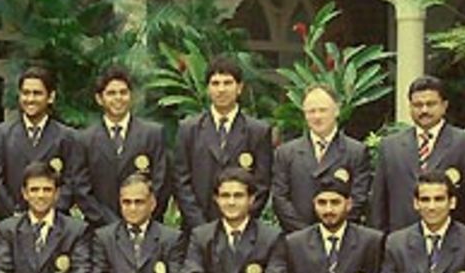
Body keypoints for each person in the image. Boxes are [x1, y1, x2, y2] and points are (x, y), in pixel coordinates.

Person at [370, 75, 465, 232]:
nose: (424, 110)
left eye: (430, 104)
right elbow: (379, 204)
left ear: (444, 105)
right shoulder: (390, 147)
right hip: (400, 245)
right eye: (418, 105)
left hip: (454, 246)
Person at [172, 55, 273, 227]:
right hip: (196, 230)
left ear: (239, 87)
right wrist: (200, 227)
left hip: (242, 231)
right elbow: (181, 182)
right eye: (215, 83)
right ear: (208, 89)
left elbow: (262, 185)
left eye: (227, 83)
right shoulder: (188, 129)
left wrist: (238, 222)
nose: (221, 89)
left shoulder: (258, 131)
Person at [0, 67, 85, 220]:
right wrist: (16, 216)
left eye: (37, 93)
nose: (30, 99)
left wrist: (47, 214)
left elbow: (72, 182)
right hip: (9, 225)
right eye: (25, 93)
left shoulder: (67, 137)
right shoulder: (0, 135)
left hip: (55, 226)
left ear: (51, 97)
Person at [74, 66, 167, 227]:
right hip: (100, 232)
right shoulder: (85, 139)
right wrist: (111, 225)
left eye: (123, 92)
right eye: (111, 93)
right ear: (99, 99)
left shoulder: (152, 134)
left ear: (131, 96)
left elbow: (161, 181)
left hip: (146, 229)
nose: (118, 98)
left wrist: (139, 217)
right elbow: (82, 189)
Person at [272, 84, 370, 232]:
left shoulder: (355, 151)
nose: (317, 116)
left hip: (341, 241)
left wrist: (331, 231)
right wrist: (305, 236)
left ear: (337, 110)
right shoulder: (286, 153)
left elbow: (358, 199)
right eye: (311, 111)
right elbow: (280, 199)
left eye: (323, 110)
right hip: (296, 241)